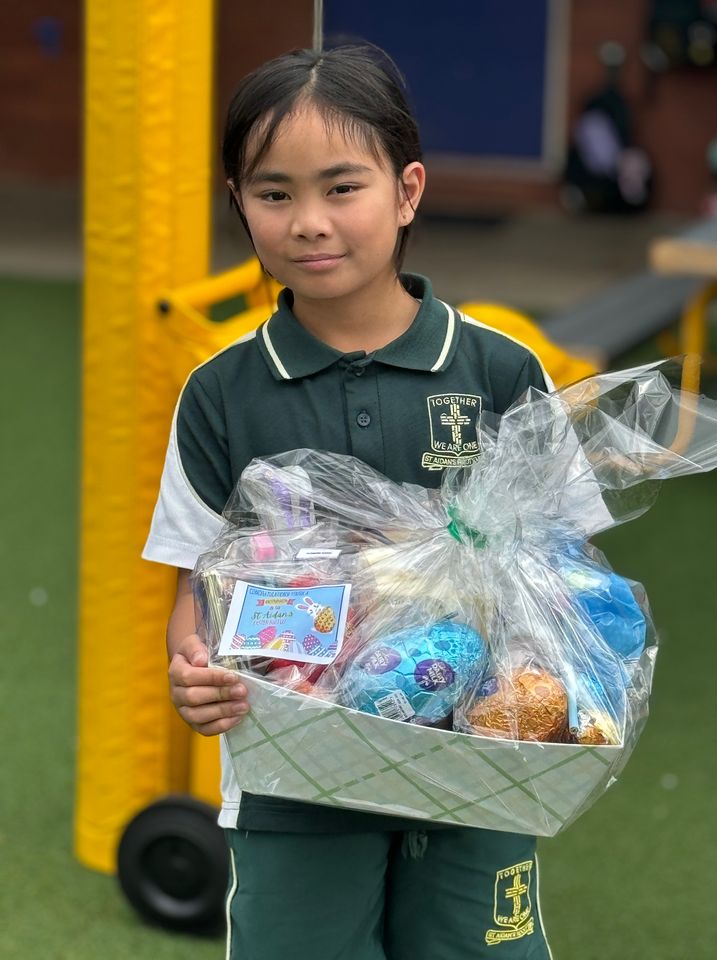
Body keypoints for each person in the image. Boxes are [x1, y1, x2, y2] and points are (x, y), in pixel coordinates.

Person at [143, 44, 554, 960]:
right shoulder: (220, 393)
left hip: (475, 771)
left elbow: (560, 570)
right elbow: (193, 584)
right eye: (274, 193)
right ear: (240, 203)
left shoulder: (496, 369)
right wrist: (194, 667)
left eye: (341, 187)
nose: (310, 223)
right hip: (295, 781)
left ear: (406, 192)